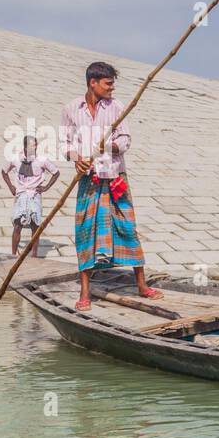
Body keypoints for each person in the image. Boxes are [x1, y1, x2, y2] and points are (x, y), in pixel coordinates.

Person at [60, 61, 162, 311]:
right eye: (107, 84)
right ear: (92, 83)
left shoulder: (116, 107)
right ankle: (85, 292)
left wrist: (108, 146)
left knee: (127, 227)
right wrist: (77, 159)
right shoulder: (72, 109)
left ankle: (142, 285)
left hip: (115, 177)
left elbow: (126, 140)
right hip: (89, 180)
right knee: (85, 231)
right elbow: (64, 143)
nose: (111, 89)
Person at [1, 135, 59, 257]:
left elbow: (56, 172)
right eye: (32, 146)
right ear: (25, 147)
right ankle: (13, 253)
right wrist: (11, 186)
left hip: (34, 194)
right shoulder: (16, 158)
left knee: (35, 226)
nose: (35, 148)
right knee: (17, 224)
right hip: (21, 194)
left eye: (36, 145)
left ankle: (34, 255)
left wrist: (46, 187)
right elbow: (4, 171)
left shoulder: (42, 160)